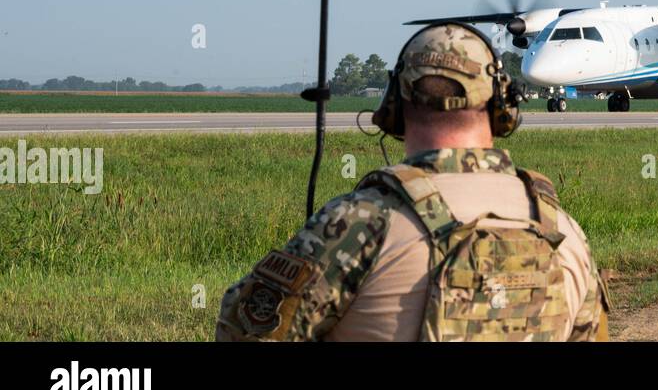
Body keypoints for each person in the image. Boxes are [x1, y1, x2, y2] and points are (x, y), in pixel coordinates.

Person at [216, 22, 609, 341]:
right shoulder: (562, 231)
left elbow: (244, 332)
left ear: (392, 105)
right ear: (502, 106)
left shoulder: (357, 225)